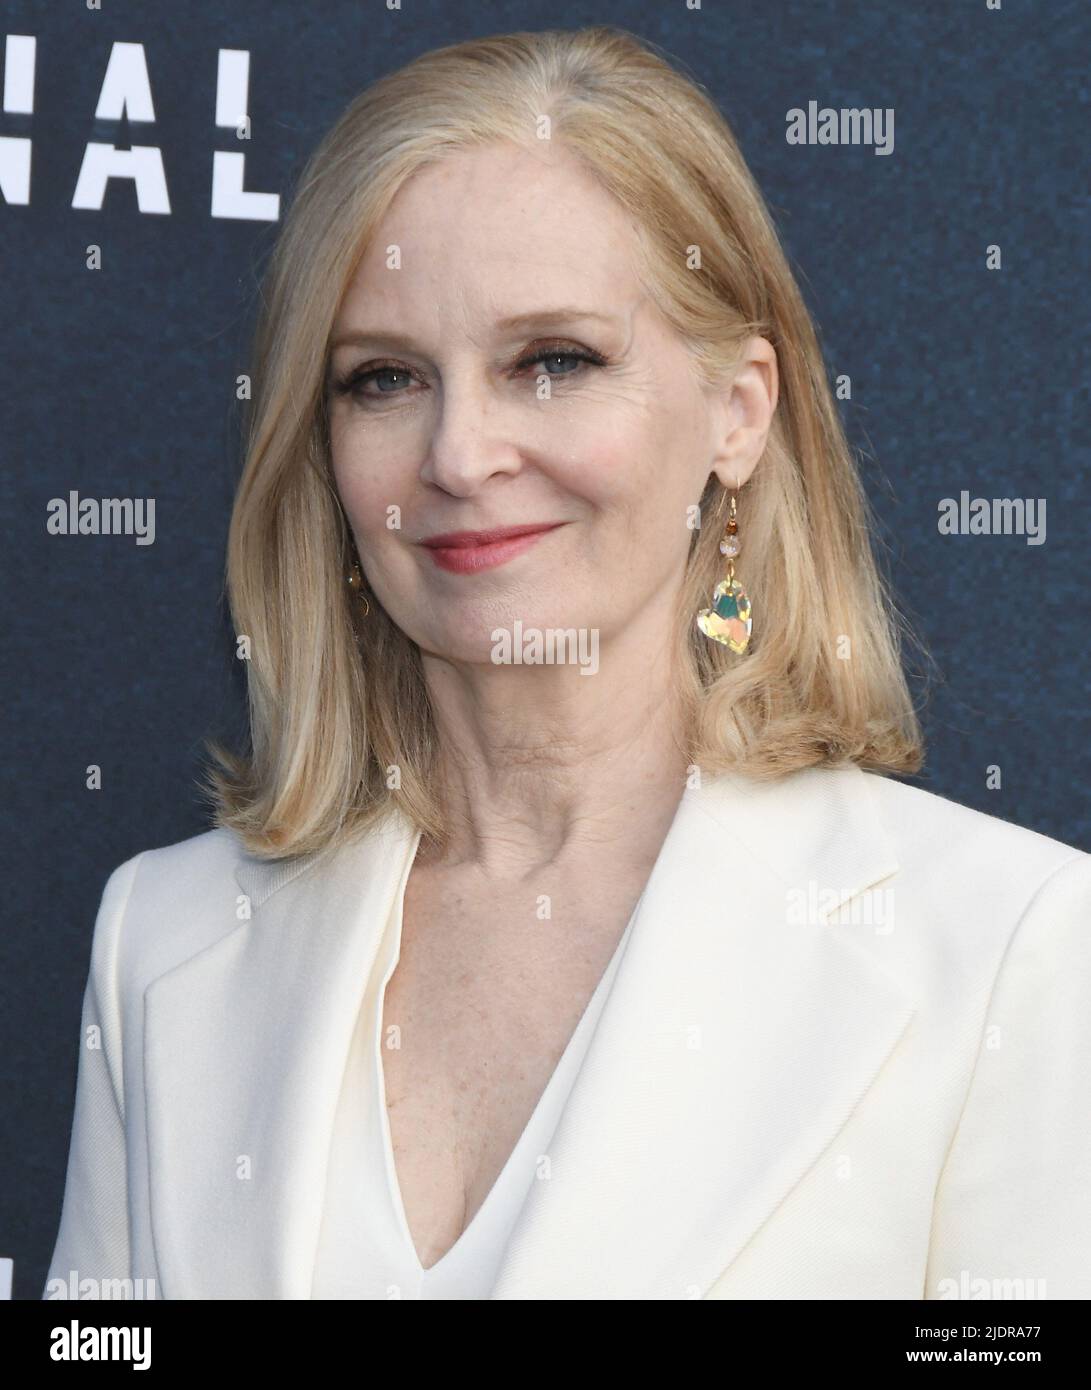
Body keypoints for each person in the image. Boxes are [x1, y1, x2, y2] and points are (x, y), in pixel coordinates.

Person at [44, 25, 1091, 1301]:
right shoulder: (165, 938)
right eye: (383, 378)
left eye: (552, 362)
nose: (459, 453)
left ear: (735, 409)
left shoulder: (1002, 946)